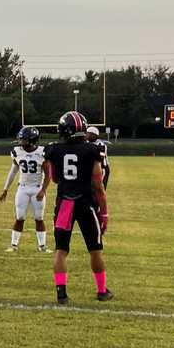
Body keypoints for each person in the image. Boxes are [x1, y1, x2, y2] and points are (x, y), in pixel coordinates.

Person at [40, 111, 111, 305]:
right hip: (86, 203)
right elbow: (98, 186)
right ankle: (102, 290)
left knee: (61, 250)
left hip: (64, 204)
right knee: (95, 249)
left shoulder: (53, 150)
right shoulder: (92, 150)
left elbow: (54, 178)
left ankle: (61, 294)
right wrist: (104, 212)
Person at [0, 126, 49, 252]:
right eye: (21, 139)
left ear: (32, 139)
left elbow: (49, 174)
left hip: (37, 188)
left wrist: (43, 190)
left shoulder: (42, 152)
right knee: (20, 217)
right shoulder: (17, 151)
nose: (21, 141)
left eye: (24, 139)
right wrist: (5, 189)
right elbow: (13, 171)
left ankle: (42, 246)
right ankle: (14, 245)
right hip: (23, 188)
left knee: (39, 218)